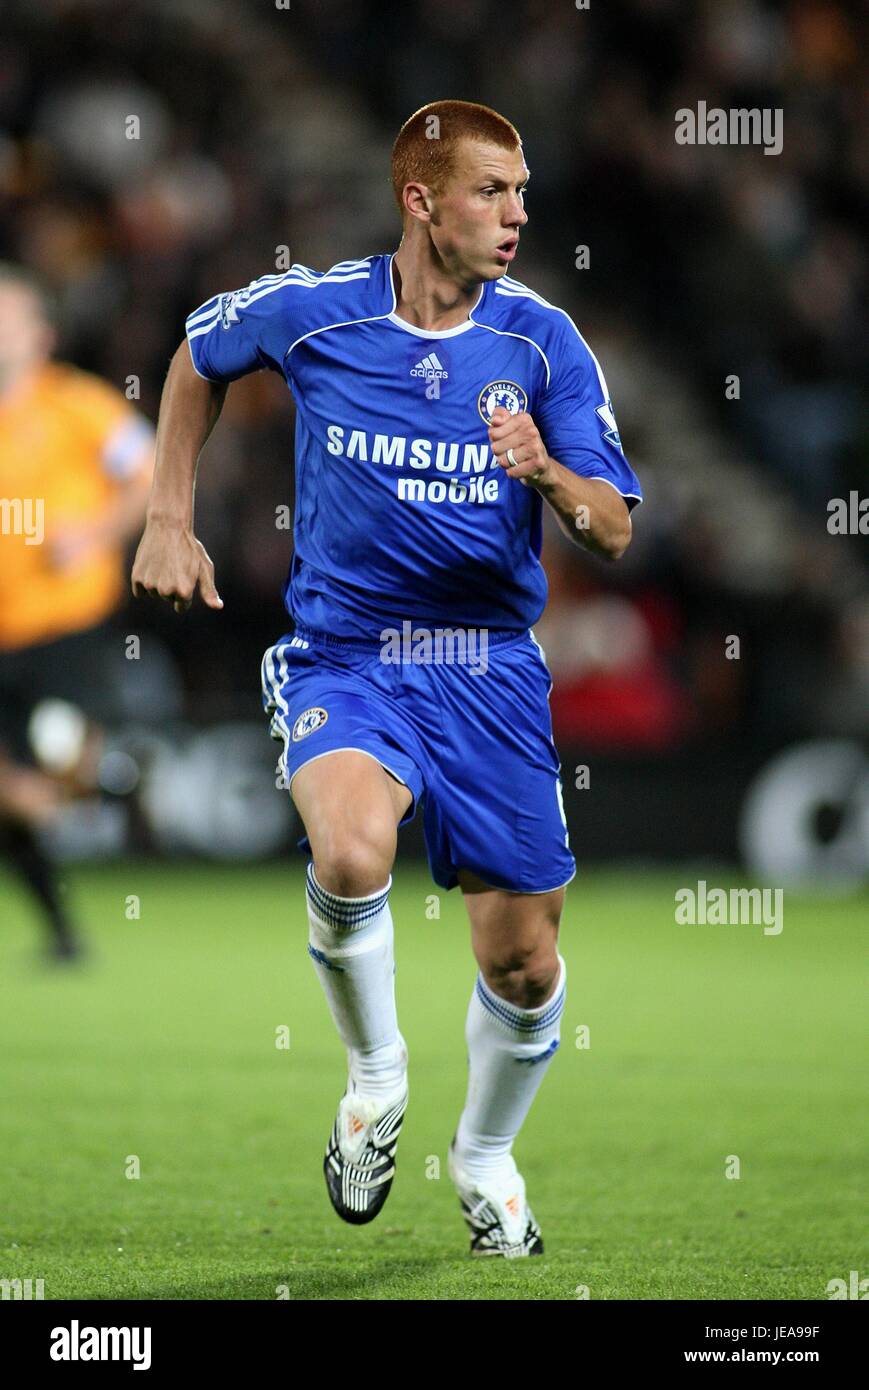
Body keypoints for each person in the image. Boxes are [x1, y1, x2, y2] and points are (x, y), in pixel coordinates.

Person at [132, 100, 642, 1256]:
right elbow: (194, 355)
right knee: (350, 849)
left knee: (522, 963)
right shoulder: (315, 312)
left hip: (490, 671)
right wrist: (171, 516)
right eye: (489, 192)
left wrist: (549, 471)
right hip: (349, 657)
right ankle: (374, 1077)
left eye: (520, 193)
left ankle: (482, 1154)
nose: (516, 215)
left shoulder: (542, 343)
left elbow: (611, 529)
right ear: (419, 200)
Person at [0, 263, 155, 960]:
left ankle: (98, 773)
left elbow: (150, 477)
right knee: (16, 805)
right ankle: (64, 929)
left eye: (9, 318)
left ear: (41, 334)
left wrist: (91, 534)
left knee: (57, 746)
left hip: (64, 626)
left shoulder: (80, 406)